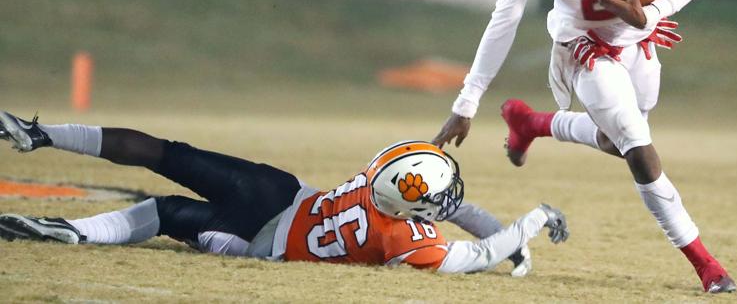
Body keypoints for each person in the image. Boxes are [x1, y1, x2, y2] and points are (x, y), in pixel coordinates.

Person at [432, 0, 735, 293]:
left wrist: (649, 14)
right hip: (582, 46)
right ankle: (706, 265)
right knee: (637, 147)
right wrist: (466, 102)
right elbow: (505, 17)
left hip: (635, 40)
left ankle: (532, 123)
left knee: (617, 142)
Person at [0, 111, 568, 274]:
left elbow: (459, 208)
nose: (448, 204)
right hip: (261, 241)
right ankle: (72, 233)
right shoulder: (406, 239)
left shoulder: (382, 173)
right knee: (165, 213)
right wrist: (532, 222)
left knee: (165, 153)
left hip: (278, 192)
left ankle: (43, 134)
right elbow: (477, 249)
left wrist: (514, 241)